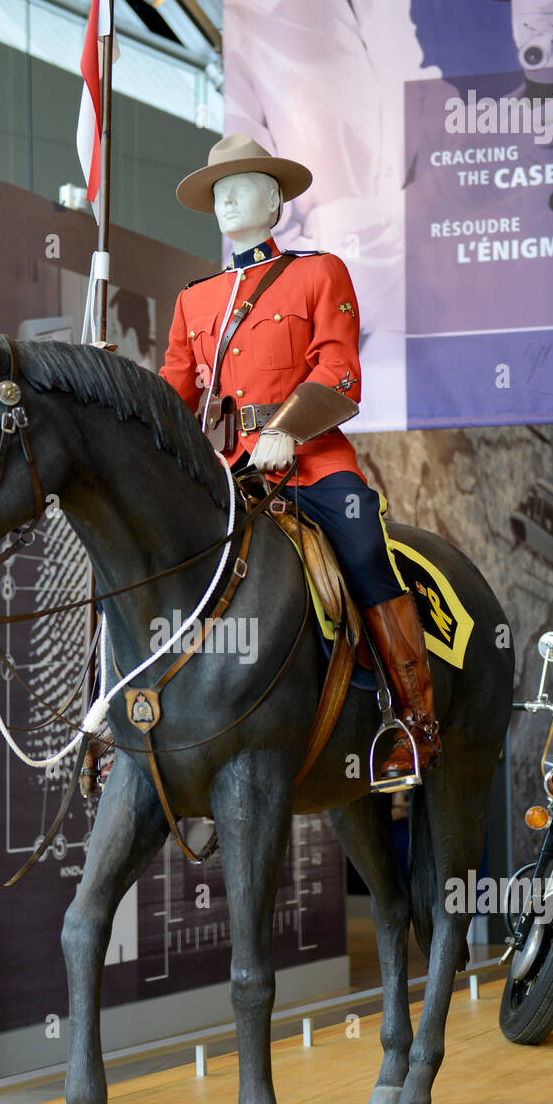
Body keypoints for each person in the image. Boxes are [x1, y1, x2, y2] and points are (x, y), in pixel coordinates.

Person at [158, 133, 441, 787]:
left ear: (275, 197)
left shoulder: (318, 272)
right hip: (224, 470)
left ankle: (413, 721)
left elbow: (339, 369)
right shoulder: (193, 299)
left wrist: (287, 429)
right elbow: (175, 393)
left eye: (241, 185)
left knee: (366, 553)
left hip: (311, 460)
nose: (226, 199)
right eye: (217, 192)